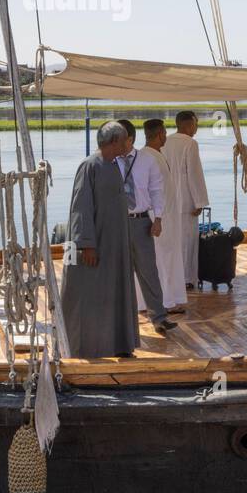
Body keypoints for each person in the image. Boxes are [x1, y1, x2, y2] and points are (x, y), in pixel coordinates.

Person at [61, 121, 139, 358]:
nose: (129, 143)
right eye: (126, 139)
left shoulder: (115, 165)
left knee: (113, 293)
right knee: (86, 296)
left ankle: (116, 344)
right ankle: (81, 347)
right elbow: (80, 208)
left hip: (115, 244)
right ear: (114, 141)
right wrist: (86, 244)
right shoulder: (89, 166)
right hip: (94, 245)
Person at [115, 119, 177, 335]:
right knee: (118, 274)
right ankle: (121, 321)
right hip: (116, 223)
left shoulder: (146, 160)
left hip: (141, 221)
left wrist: (158, 218)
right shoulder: (107, 161)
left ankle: (159, 317)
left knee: (149, 272)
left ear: (130, 139)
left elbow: (156, 190)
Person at [142, 118, 187, 314]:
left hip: (165, 216)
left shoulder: (152, 155)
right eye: (164, 133)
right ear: (159, 134)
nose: (165, 137)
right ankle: (165, 301)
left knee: (166, 259)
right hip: (159, 218)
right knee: (162, 260)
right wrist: (157, 219)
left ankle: (164, 299)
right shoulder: (149, 157)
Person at [165, 110, 209, 289]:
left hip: (168, 201)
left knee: (171, 240)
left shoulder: (164, 141)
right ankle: (186, 279)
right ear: (188, 124)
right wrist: (199, 201)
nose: (196, 128)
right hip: (186, 200)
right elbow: (194, 173)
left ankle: (171, 276)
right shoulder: (190, 143)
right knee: (187, 241)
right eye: (196, 124)